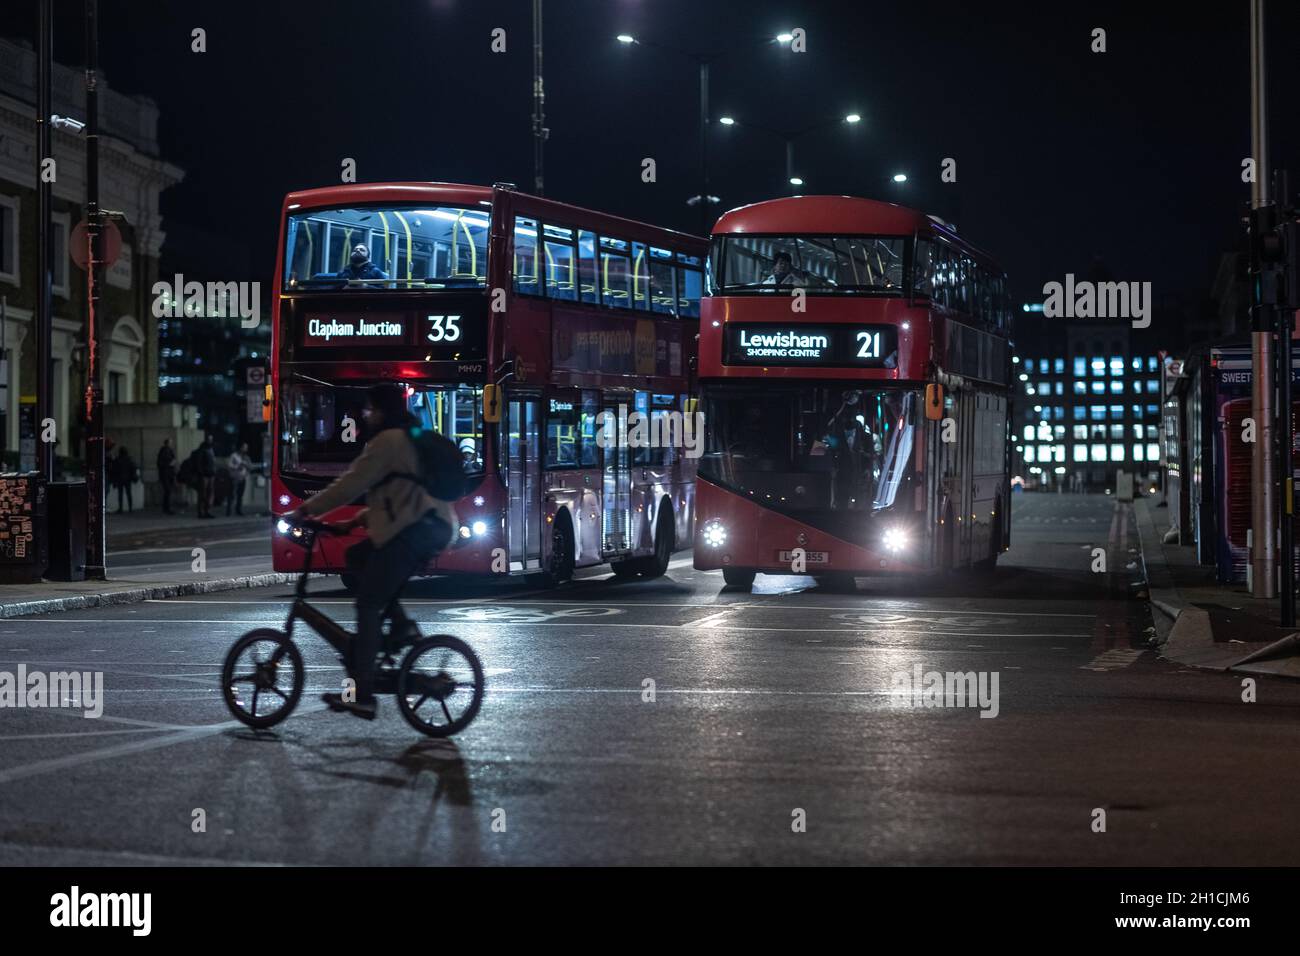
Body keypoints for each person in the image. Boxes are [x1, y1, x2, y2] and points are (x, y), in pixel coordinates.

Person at [284, 383, 457, 719]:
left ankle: (363, 693)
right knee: (356, 558)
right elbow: (396, 493)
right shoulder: (401, 438)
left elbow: (351, 484)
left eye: (369, 409)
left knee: (368, 602)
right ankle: (402, 628)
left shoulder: (389, 441)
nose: (365, 415)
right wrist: (358, 521)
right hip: (421, 526)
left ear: (382, 410)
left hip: (421, 531)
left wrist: (306, 511)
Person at [111, 446, 138, 513]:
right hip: (128, 479)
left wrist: (114, 481)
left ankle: (120, 508)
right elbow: (133, 468)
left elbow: (114, 470)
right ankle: (130, 508)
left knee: (120, 494)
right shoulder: (129, 459)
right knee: (128, 493)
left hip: (120, 479)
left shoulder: (117, 460)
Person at [226, 442, 250, 516]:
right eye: (244, 447)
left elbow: (249, 466)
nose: (246, 449)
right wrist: (237, 467)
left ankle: (238, 510)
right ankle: (229, 511)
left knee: (240, 495)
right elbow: (229, 465)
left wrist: (247, 468)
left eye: (246, 447)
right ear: (240, 448)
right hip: (234, 478)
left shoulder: (246, 457)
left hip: (242, 477)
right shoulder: (234, 456)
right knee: (232, 495)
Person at [196, 435, 217, 519]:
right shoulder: (202, 450)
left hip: (211, 474)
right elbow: (199, 463)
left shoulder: (211, 449)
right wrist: (201, 472)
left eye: (211, 439)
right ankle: (201, 512)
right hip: (204, 475)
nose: (210, 441)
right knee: (203, 494)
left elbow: (213, 462)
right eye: (209, 439)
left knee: (209, 494)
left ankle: (207, 511)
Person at [156, 439, 177, 515]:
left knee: (168, 491)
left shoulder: (168, 451)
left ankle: (166, 507)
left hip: (168, 474)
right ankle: (167, 508)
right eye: (170, 443)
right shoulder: (165, 451)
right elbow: (161, 463)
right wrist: (169, 464)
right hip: (166, 474)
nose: (171, 444)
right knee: (168, 491)